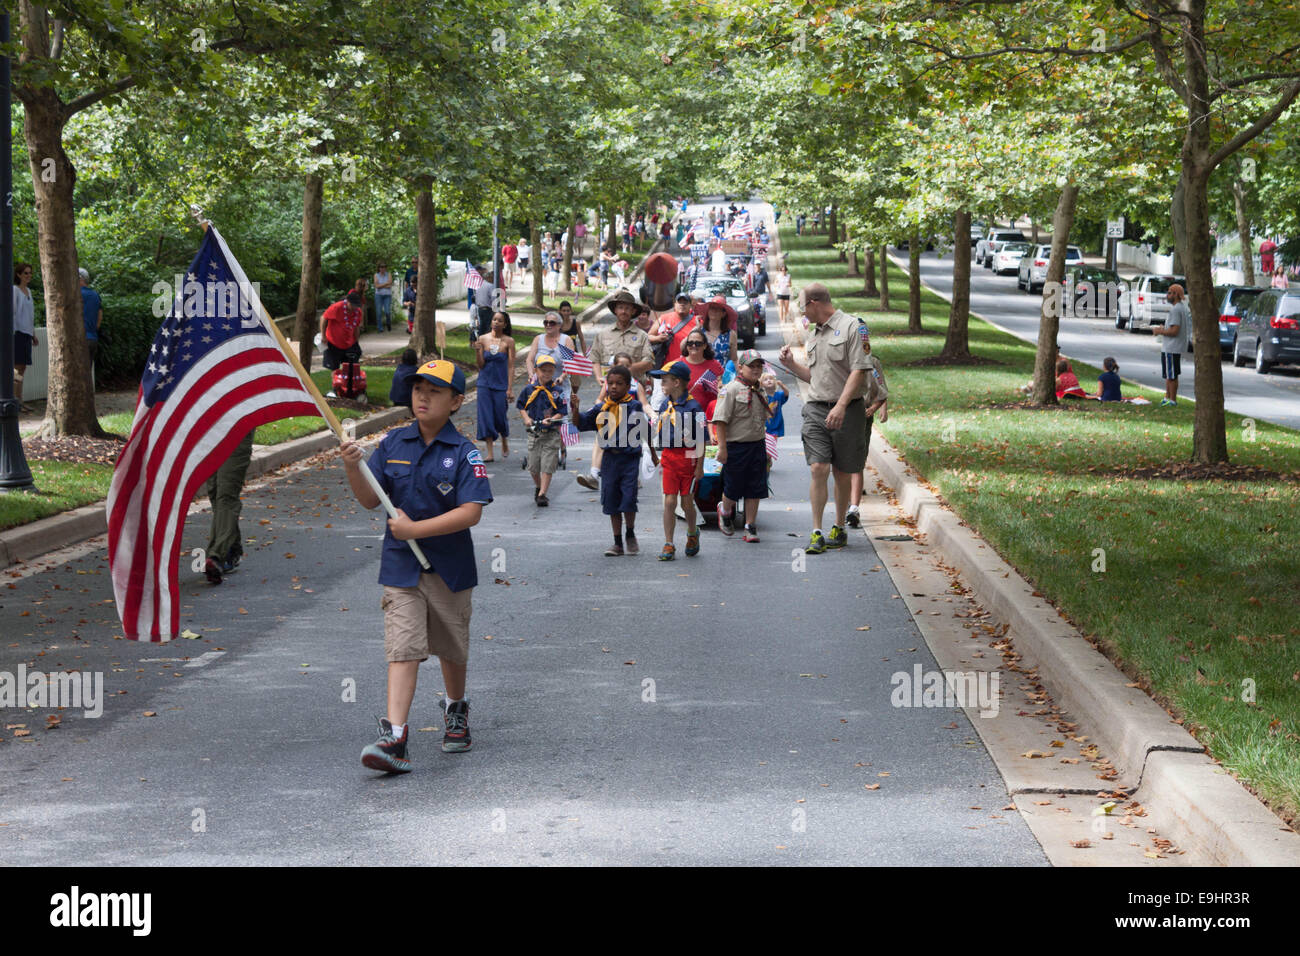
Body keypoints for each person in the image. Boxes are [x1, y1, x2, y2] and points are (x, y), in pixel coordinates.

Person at [340, 359, 491, 773]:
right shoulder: (392, 445)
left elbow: (472, 511)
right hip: (401, 568)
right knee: (402, 648)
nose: (422, 396)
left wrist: (416, 529)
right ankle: (396, 737)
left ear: (457, 401)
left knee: (451, 645)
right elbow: (371, 500)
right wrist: (354, 467)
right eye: (417, 388)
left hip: (449, 568)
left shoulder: (464, 452)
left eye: (435, 391)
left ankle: (456, 708)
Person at [778, 283, 873, 554]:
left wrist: (842, 406)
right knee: (818, 468)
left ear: (815, 303)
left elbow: (859, 371)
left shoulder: (854, 327)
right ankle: (817, 531)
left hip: (848, 409)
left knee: (842, 472)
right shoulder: (815, 334)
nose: (803, 314)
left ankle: (839, 527)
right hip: (817, 409)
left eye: (803, 308)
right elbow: (815, 377)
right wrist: (791, 366)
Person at [578, 290, 654, 491]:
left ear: (633, 311)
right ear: (615, 310)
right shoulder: (603, 335)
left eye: (628, 308)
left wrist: (628, 371)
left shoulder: (642, 336)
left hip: (633, 392)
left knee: (632, 434)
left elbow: (649, 361)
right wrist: (598, 376)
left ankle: (632, 473)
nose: (624, 311)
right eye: (620, 307)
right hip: (610, 392)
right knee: (603, 431)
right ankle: (594, 474)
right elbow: (594, 358)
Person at [571, 365, 648, 556]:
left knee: (628, 498)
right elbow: (580, 423)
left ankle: (630, 532)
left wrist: (651, 455)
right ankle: (617, 542)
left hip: (629, 459)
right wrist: (575, 408)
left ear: (628, 385)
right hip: (610, 460)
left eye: (619, 384)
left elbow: (642, 432)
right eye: (610, 383)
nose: (614, 387)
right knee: (612, 500)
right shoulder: (600, 408)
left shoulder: (634, 406)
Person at [648, 360, 706, 560]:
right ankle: (669, 543)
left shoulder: (694, 407)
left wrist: (699, 465)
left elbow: (700, 438)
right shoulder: (665, 405)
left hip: (688, 458)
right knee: (669, 501)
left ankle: (692, 532)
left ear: (677, 382)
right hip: (669, 458)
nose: (661, 385)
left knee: (687, 502)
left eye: (664, 381)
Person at [711, 350, 770, 543]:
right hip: (736, 446)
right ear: (740, 368)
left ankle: (750, 526)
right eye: (751, 366)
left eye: (758, 366)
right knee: (733, 486)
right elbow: (720, 420)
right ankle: (725, 509)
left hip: (757, 445)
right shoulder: (730, 389)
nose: (755, 370)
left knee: (756, 486)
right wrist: (722, 448)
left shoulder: (759, 389)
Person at [845, 324, 888, 529]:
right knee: (842, 459)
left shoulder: (873, 364)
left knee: (857, 460)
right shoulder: (842, 361)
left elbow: (881, 391)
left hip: (863, 416)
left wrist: (876, 408)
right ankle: (846, 498)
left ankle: (853, 508)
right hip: (842, 415)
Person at [201, 430, 255, 585]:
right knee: (215, 494)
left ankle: (216, 556)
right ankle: (232, 549)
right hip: (211, 433)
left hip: (236, 430)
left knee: (226, 495)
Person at [517, 354, 567, 506]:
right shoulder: (528, 390)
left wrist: (553, 418)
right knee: (533, 467)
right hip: (534, 433)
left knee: (547, 465)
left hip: (551, 433)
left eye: (550, 371)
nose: (546, 374)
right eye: (543, 370)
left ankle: (543, 494)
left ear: (554, 372)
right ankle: (538, 486)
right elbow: (521, 406)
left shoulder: (558, 391)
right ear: (536, 371)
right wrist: (526, 418)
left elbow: (562, 410)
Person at [473, 311, 515, 460]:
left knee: (500, 416)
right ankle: (490, 452)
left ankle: (504, 437)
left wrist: (509, 388)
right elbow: (480, 365)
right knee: (485, 417)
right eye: (494, 319)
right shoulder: (483, 339)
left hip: (500, 384)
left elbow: (510, 366)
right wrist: (478, 352)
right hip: (484, 383)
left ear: (505, 324)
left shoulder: (509, 341)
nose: (496, 322)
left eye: (499, 320)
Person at [1153, 283, 1189, 406]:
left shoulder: (1175, 309)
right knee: (1170, 374)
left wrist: (1160, 331)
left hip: (1172, 347)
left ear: (1176, 294)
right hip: (1174, 347)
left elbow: (1174, 331)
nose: (1167, 295)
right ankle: (1167, 397)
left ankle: (1172, 400)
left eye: (1169, 292)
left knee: (1171, 375)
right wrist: (1165, 327)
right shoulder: (1181, 308)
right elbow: (1173, 327)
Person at [320, 290, 364, 372]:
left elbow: (356, 327)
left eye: (356, 306)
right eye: (352, 305)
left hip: (349, 343)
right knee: (335, 369)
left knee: (351, 368)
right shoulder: (336, 307)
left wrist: (356, 341)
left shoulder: (358, 312)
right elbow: (324, 318)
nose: (354, 308)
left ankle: (347, 384)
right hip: (333, 342)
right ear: (347, 302)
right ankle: (337, 384)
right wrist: (323, 336)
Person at [12, 263, 36, 412]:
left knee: (22, 368)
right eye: (25, 273)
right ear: (19, 275)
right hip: (17, 333)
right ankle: (16, 400)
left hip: (27, 333)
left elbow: (30, 315)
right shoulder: (15, 290)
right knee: (16, 368)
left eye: (30, 273)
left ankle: (19, 399)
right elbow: (13, 312)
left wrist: (33, 333)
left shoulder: (29, 291)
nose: (28, 276)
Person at [697, 295, 737, 368]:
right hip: (701, 375)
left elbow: (734, 360)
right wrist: (695, 329)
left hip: (722, 376)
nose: (714, 311)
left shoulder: (731, 334)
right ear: (708, 311)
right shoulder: (699, 331)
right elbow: (684, 348)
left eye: (718, 309)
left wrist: (734, 375)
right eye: (712, 308)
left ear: (723, 314)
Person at [79, 267, 103, 373]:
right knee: (86, 374)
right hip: (92, 338)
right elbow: (99, 317)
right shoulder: (95, 295)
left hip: (79, 340)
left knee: (77, 375)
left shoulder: (75, 295)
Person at [373, 262, 394, 333]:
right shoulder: (376, 275)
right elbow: (376, 286)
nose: (383, 268)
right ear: (379, 268)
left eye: (384, 267)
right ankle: (380, 328)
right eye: (381, 267)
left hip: (387, 295)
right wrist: (386, 284)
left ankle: (388, 323)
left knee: (387, 311)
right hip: (378, 295)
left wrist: (381, 285)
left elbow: (390, 285)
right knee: (378, 312)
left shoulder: (389, 274)